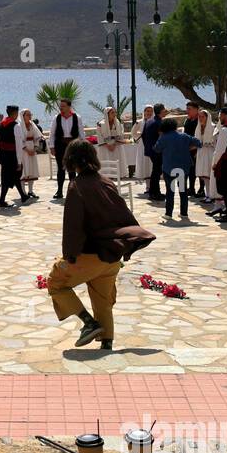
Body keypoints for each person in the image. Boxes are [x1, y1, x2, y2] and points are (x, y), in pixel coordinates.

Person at [46, 140, 155, 351]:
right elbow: (124, 214)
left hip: (90, 255)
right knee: (103, 299)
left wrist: (70, 256)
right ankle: (106, 344)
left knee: (56, 283)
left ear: (70, 160)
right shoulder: (106, 182)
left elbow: (73, 225)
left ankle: (88, 323)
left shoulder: (76, 186)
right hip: (112, 255)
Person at [154, 117, 202, 221]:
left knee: (170, 191)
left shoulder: (164, 137)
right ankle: (184, 213)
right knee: (183, 191)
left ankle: (168, 214)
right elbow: (198, 143)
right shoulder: (184, 136)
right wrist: (188, 148)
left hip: (169, 168)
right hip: (183, 167)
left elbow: (157, 149)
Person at [50, 99, 84, 199]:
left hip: (73, 145)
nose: (61, 108)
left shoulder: (77, 117)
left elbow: (81, 133)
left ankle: (72, 190)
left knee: (72, 168)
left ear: (69, 107)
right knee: (61, 168)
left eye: (63, 106)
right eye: (60, 106)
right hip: (60, 146)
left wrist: (82, 145)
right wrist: (52, 147)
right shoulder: (57, 118)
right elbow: (52, 134)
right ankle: (59, 191)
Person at [0, 105, 26, 208]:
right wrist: (19, 161)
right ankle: (2, 201)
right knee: (12, 175)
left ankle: (22, 196)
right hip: (12, 155)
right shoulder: (16, 126)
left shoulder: (0, 125)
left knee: (9, 176)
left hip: (2, 154)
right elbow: (18, 145)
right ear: (15, 113)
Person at [141, 104, 167, 200]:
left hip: (150, 150)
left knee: (155, 171)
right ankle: (155, 193)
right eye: (164, 110)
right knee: (157, 171)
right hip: (157, 151)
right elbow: (162, 138)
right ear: (161, 111)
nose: (165, 111)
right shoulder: (159, 122)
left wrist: (148, 147)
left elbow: (143, 135)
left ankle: (154, 192)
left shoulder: (149, 121)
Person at [18, 109, 44, 200]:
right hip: (23, 151)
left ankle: (30, 190)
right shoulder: (19, 126)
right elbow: (19, 140)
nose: (30, 116)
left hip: (32, 148)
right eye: (28, 115)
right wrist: (26, 149)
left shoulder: (32, 124)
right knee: (24, 169)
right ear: (23, 116)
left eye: (30, 114)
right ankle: (23, 191)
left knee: (32, 169)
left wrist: (35, 148)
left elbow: (37, 137)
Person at [94, 106, 125, 180]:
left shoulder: (117, 123)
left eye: (115, 112)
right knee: (106, 167)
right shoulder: (100, 124)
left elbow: (120, 134)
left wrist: (114, 144)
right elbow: (99, 136)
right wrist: (107, 145)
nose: (114, 114)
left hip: (116, 147)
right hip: (105, 148)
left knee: (116, 165)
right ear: (107, 114)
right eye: (112, 113)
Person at [193, 108, 214, 199]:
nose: (201, 118)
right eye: (199, 116)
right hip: (201, 152)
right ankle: (207, 194)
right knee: (204, 176)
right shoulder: (198, 127)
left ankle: (212, 195)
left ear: (207, 117)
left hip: (210, 152)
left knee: (210, 175)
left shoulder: (213, 127)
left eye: (203, 116)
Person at [130, 105, 153, 181]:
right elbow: (133, 132)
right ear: (144, 112)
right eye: (147, 111)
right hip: (142, 145)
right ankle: (147, 186)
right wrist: (139, 138)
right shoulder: (139, 122)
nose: (149, 113)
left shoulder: (154, 122)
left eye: (151, 111)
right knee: (144, 164)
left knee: (151, 164)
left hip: (152, 145)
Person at [182, 102, 200, 195]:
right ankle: (191, 188)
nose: (187, 111)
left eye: (189, 109)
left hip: (197, 149)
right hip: (187, 149)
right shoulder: (187, 121)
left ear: (196, 109)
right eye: (187, 109)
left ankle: (201, 189)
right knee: (189, 170)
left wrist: (195, 147)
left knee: (197, 170)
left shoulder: (200, 121)